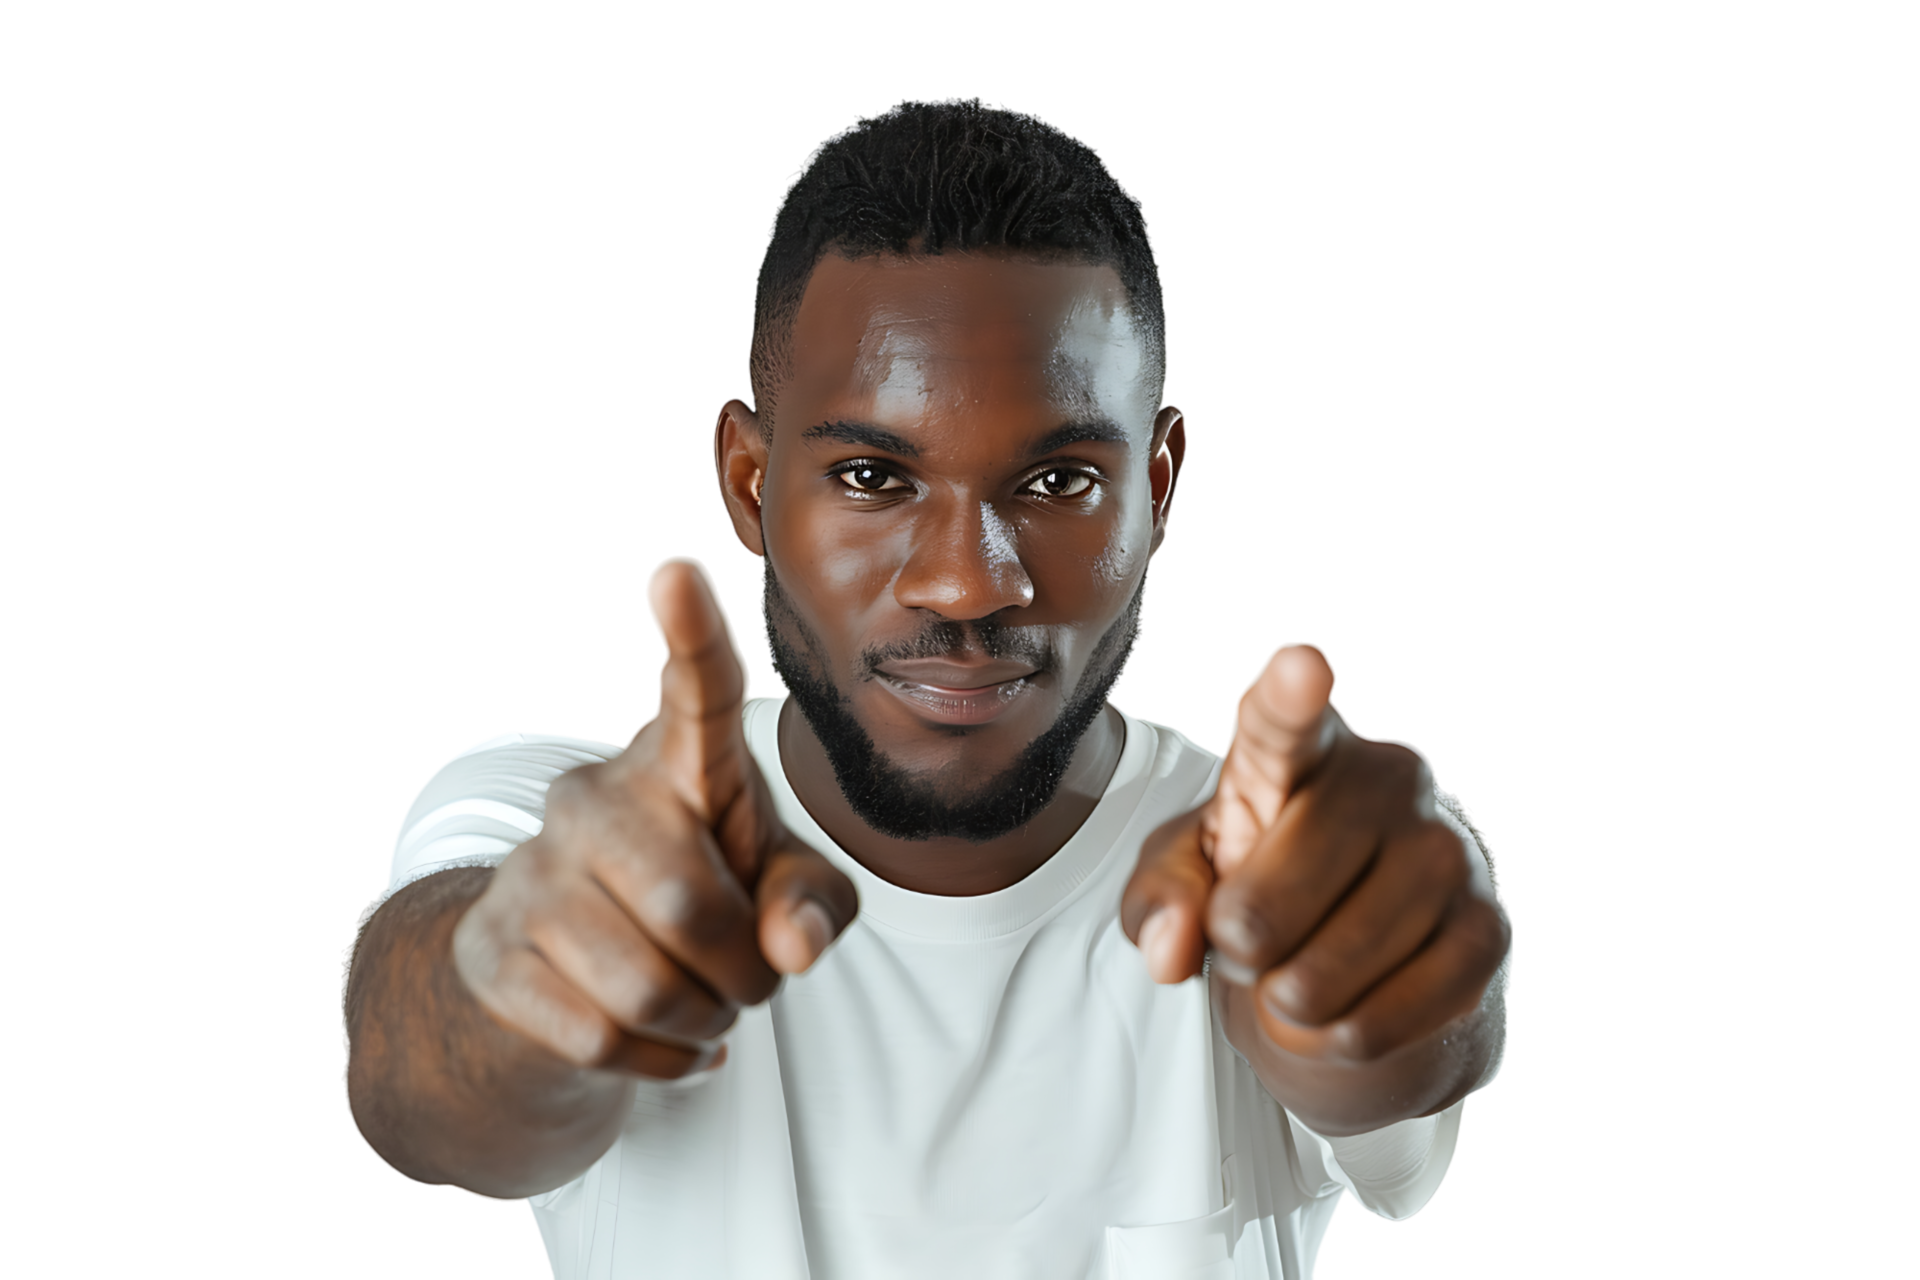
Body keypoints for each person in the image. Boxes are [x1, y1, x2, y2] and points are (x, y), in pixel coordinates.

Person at [340, 95, 1515, 1279]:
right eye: (870, 473)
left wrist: (1403, 961)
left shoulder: (1273, 869)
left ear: (1158, 490)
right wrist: (527, 979)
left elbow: (1404, 1064)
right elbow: (419, 1076)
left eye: (1059, 480)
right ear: (749, 485)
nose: (965, 583)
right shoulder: (560, 816)